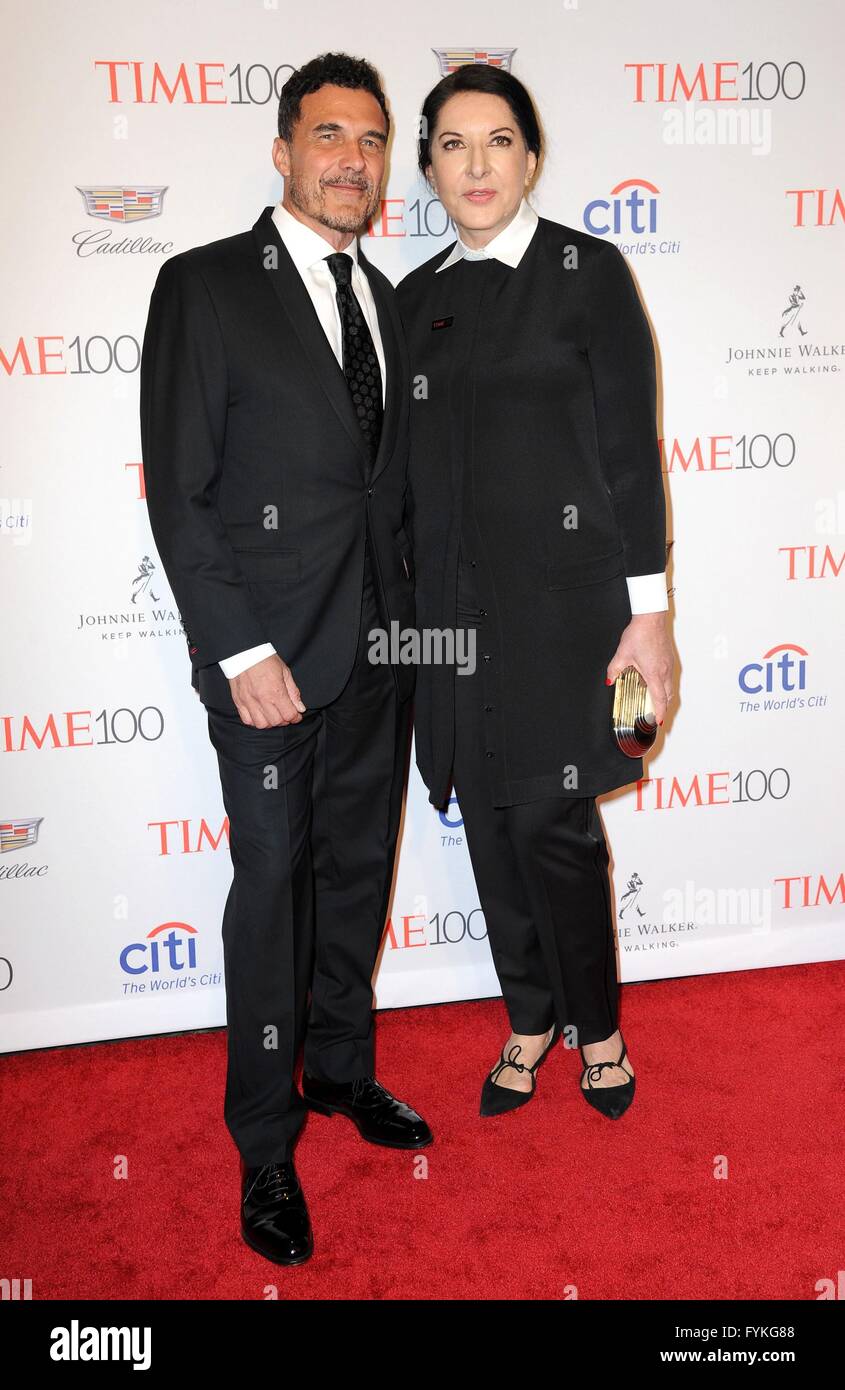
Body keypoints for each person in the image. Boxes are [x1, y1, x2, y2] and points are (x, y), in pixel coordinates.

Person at [140, 52, 431, 1267]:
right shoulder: (205, 287)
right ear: (281, 148)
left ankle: (341, 1072)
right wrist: (242, 648)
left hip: (378, 653)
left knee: (355, 872)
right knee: (272, 897)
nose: (351, 160)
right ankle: (264, 1145)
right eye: (328, 136)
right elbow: (181, 492)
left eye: (369, 140)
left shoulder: (392, 298)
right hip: (267, 665)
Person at [396, 63, 674, 1121]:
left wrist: (646, 615)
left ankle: (594, 1027)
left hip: (567, 610)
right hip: (447, 619)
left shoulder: (585, 271)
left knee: (552, 822)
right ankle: (527, 1015)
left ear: (531, 157)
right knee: (483, 811)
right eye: (453, 143)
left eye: (497, 141)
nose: (475, 164)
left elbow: (626, 454)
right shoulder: (413, 300)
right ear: (426, 165)